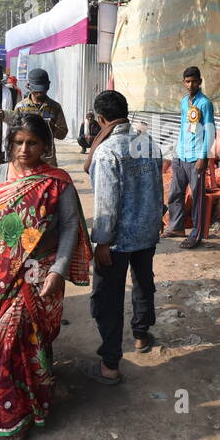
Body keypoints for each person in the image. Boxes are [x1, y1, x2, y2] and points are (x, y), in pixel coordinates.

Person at [0, 114, 91, 440]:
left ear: (45, 146)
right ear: (9, 144)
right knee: (15, 339)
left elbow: (69, 227)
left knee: (14, 337)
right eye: (18, 143)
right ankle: (37, 383)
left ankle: (12, 416)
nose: (24, 149)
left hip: (39, 269)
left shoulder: (57, 181)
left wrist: (57, 271)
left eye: (32, 143)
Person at [82, 90, 163, 385]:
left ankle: (111, 362)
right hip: (146, 232)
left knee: (109, 297)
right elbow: (158, 186)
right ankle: (140, 337)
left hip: (115, 240)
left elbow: (106, 202)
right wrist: (157, 218)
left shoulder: (107, 151)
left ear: (101, 119)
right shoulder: (148, 143)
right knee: (144, 284)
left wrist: (102, 241)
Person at [165, 65, 215, 250]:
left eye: (194, 80)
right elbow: (183, 128)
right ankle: (177, 227)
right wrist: (176, 152)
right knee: (175, 194)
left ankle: (196, 234)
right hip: (181, 156)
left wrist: (203, 157)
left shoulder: (205, 103)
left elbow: (210, 133)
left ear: (200, 82)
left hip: (196, 158)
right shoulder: (184, 102)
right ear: (183, 82)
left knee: (197, 199)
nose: (191, 84)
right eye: (187, 81)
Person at [14, 68, 69, 165]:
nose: (39, 93)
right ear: (29, 86)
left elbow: (63, 134)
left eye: (42, 90)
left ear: (48, 87)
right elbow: (14, 134)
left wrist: (53, 128)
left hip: (47, 159)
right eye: (36, 90)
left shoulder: (55, 107)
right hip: (26, 157)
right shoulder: (21, 107)